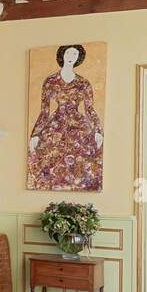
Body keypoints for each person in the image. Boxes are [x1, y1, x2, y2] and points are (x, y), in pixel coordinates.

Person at [27, 44, 103, 191]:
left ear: (78, 58)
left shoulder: (83, 83)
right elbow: (44, 111)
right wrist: (35, 134)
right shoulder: (50, 81)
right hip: (56, 123)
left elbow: (89, 109)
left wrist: (98, 130)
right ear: (62, 55)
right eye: (69, 53)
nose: (71, 57)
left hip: (78, 125)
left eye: (75, 54)